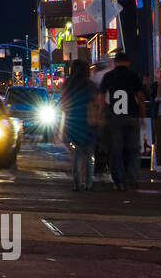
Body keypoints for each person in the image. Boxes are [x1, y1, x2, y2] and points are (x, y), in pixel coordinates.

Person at [99, 50, 147, 191]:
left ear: (115, 62)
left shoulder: (108, 76)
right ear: (128, 62)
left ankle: (119, 180)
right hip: (132, 115)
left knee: (116, 149)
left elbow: (101, 97)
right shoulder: (133, 76)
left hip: (115, 116)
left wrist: (105, 110)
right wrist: (142, 115)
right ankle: (132, 177)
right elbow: (141, 97)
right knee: (133, 149)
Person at [60, 60, 96, 191]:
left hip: (73, 121)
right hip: (88, 120)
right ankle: (88, 183)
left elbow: (63, 104)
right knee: (89, 154)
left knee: (77, 153)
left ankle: (77, 183)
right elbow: (95, 103)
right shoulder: (90, 85)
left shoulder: (68, 84)